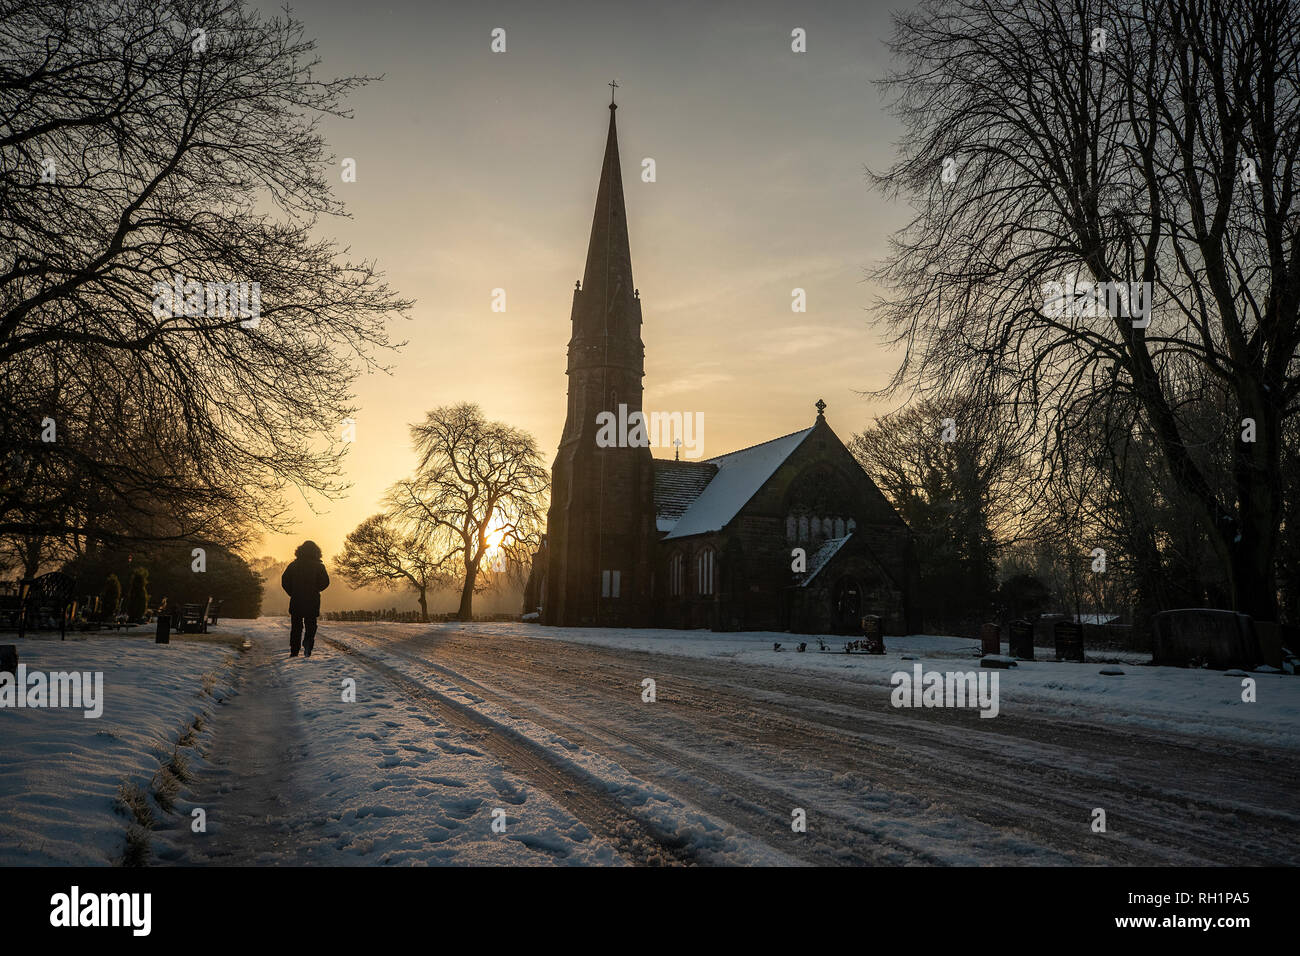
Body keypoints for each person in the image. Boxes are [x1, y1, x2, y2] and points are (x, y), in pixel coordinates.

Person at [281, 540, 330, 657]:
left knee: (296, 626)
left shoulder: (293, 565)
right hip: (312, 600)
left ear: (300, 551)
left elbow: (284, 581)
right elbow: (326, 582)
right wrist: (316, 589)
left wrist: (292, 592)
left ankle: (294, 651)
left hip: (296, 600)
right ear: (316, 552)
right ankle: (308, 645)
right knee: (311, 625)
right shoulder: (319, 566)